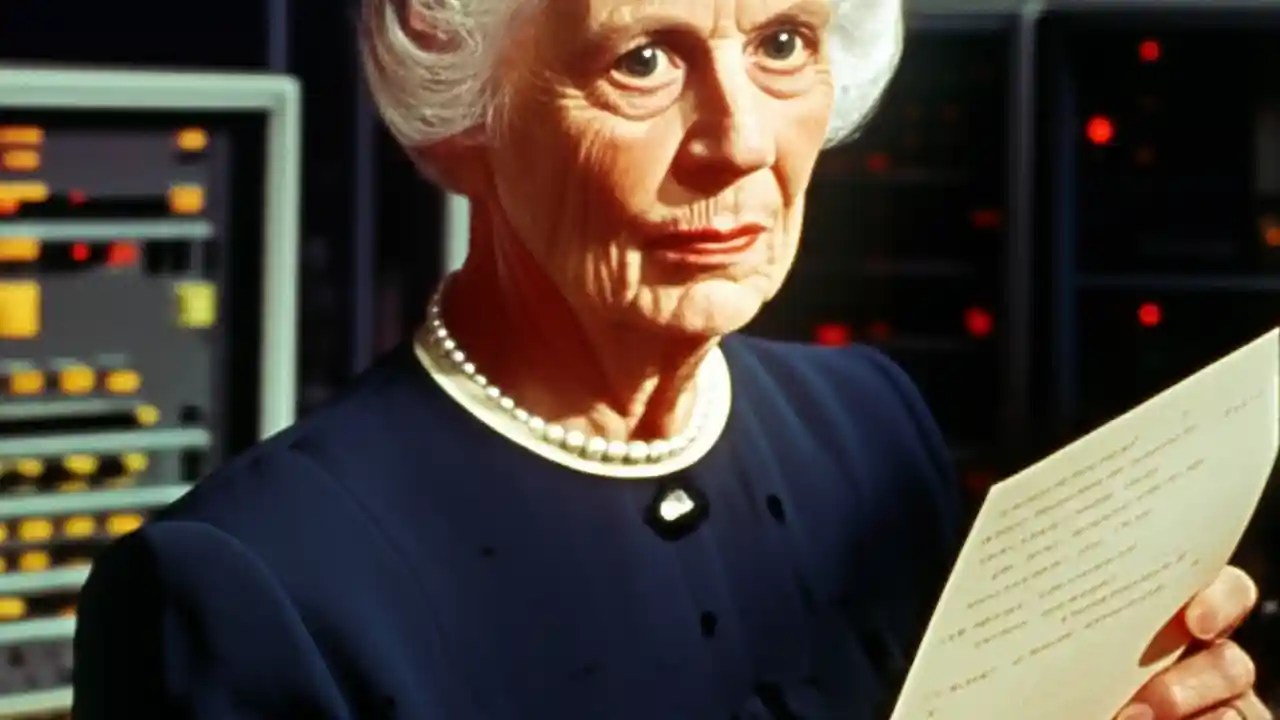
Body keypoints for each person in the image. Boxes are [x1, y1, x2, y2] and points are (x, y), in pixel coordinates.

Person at [72, 0, 1267, 717]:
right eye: (641, 58)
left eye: (785, 41)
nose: (739, 140)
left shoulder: (871, 426)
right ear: (462, 99)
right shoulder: (241, 589)